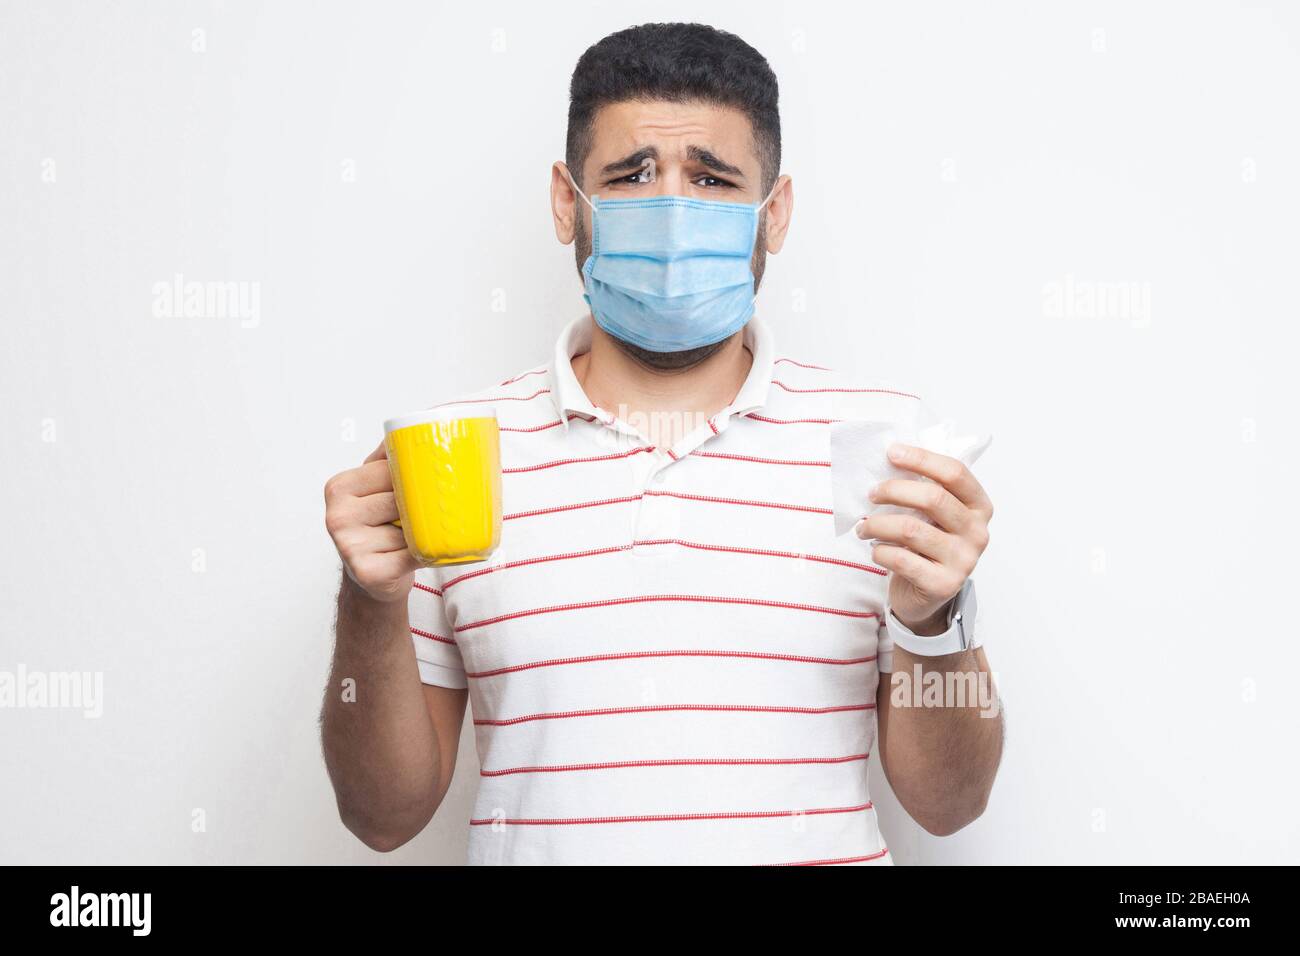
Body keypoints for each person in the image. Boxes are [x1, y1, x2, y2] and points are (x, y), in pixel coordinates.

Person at [321, 22, 1001, 866]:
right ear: (569, 201)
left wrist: (937, 621)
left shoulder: (879, 446)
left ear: (775, 212)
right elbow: (382, 816)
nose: (673, 211)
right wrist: (369, 602)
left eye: (712, 178)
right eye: (633, 175)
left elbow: (949, 805)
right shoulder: (452, 456)